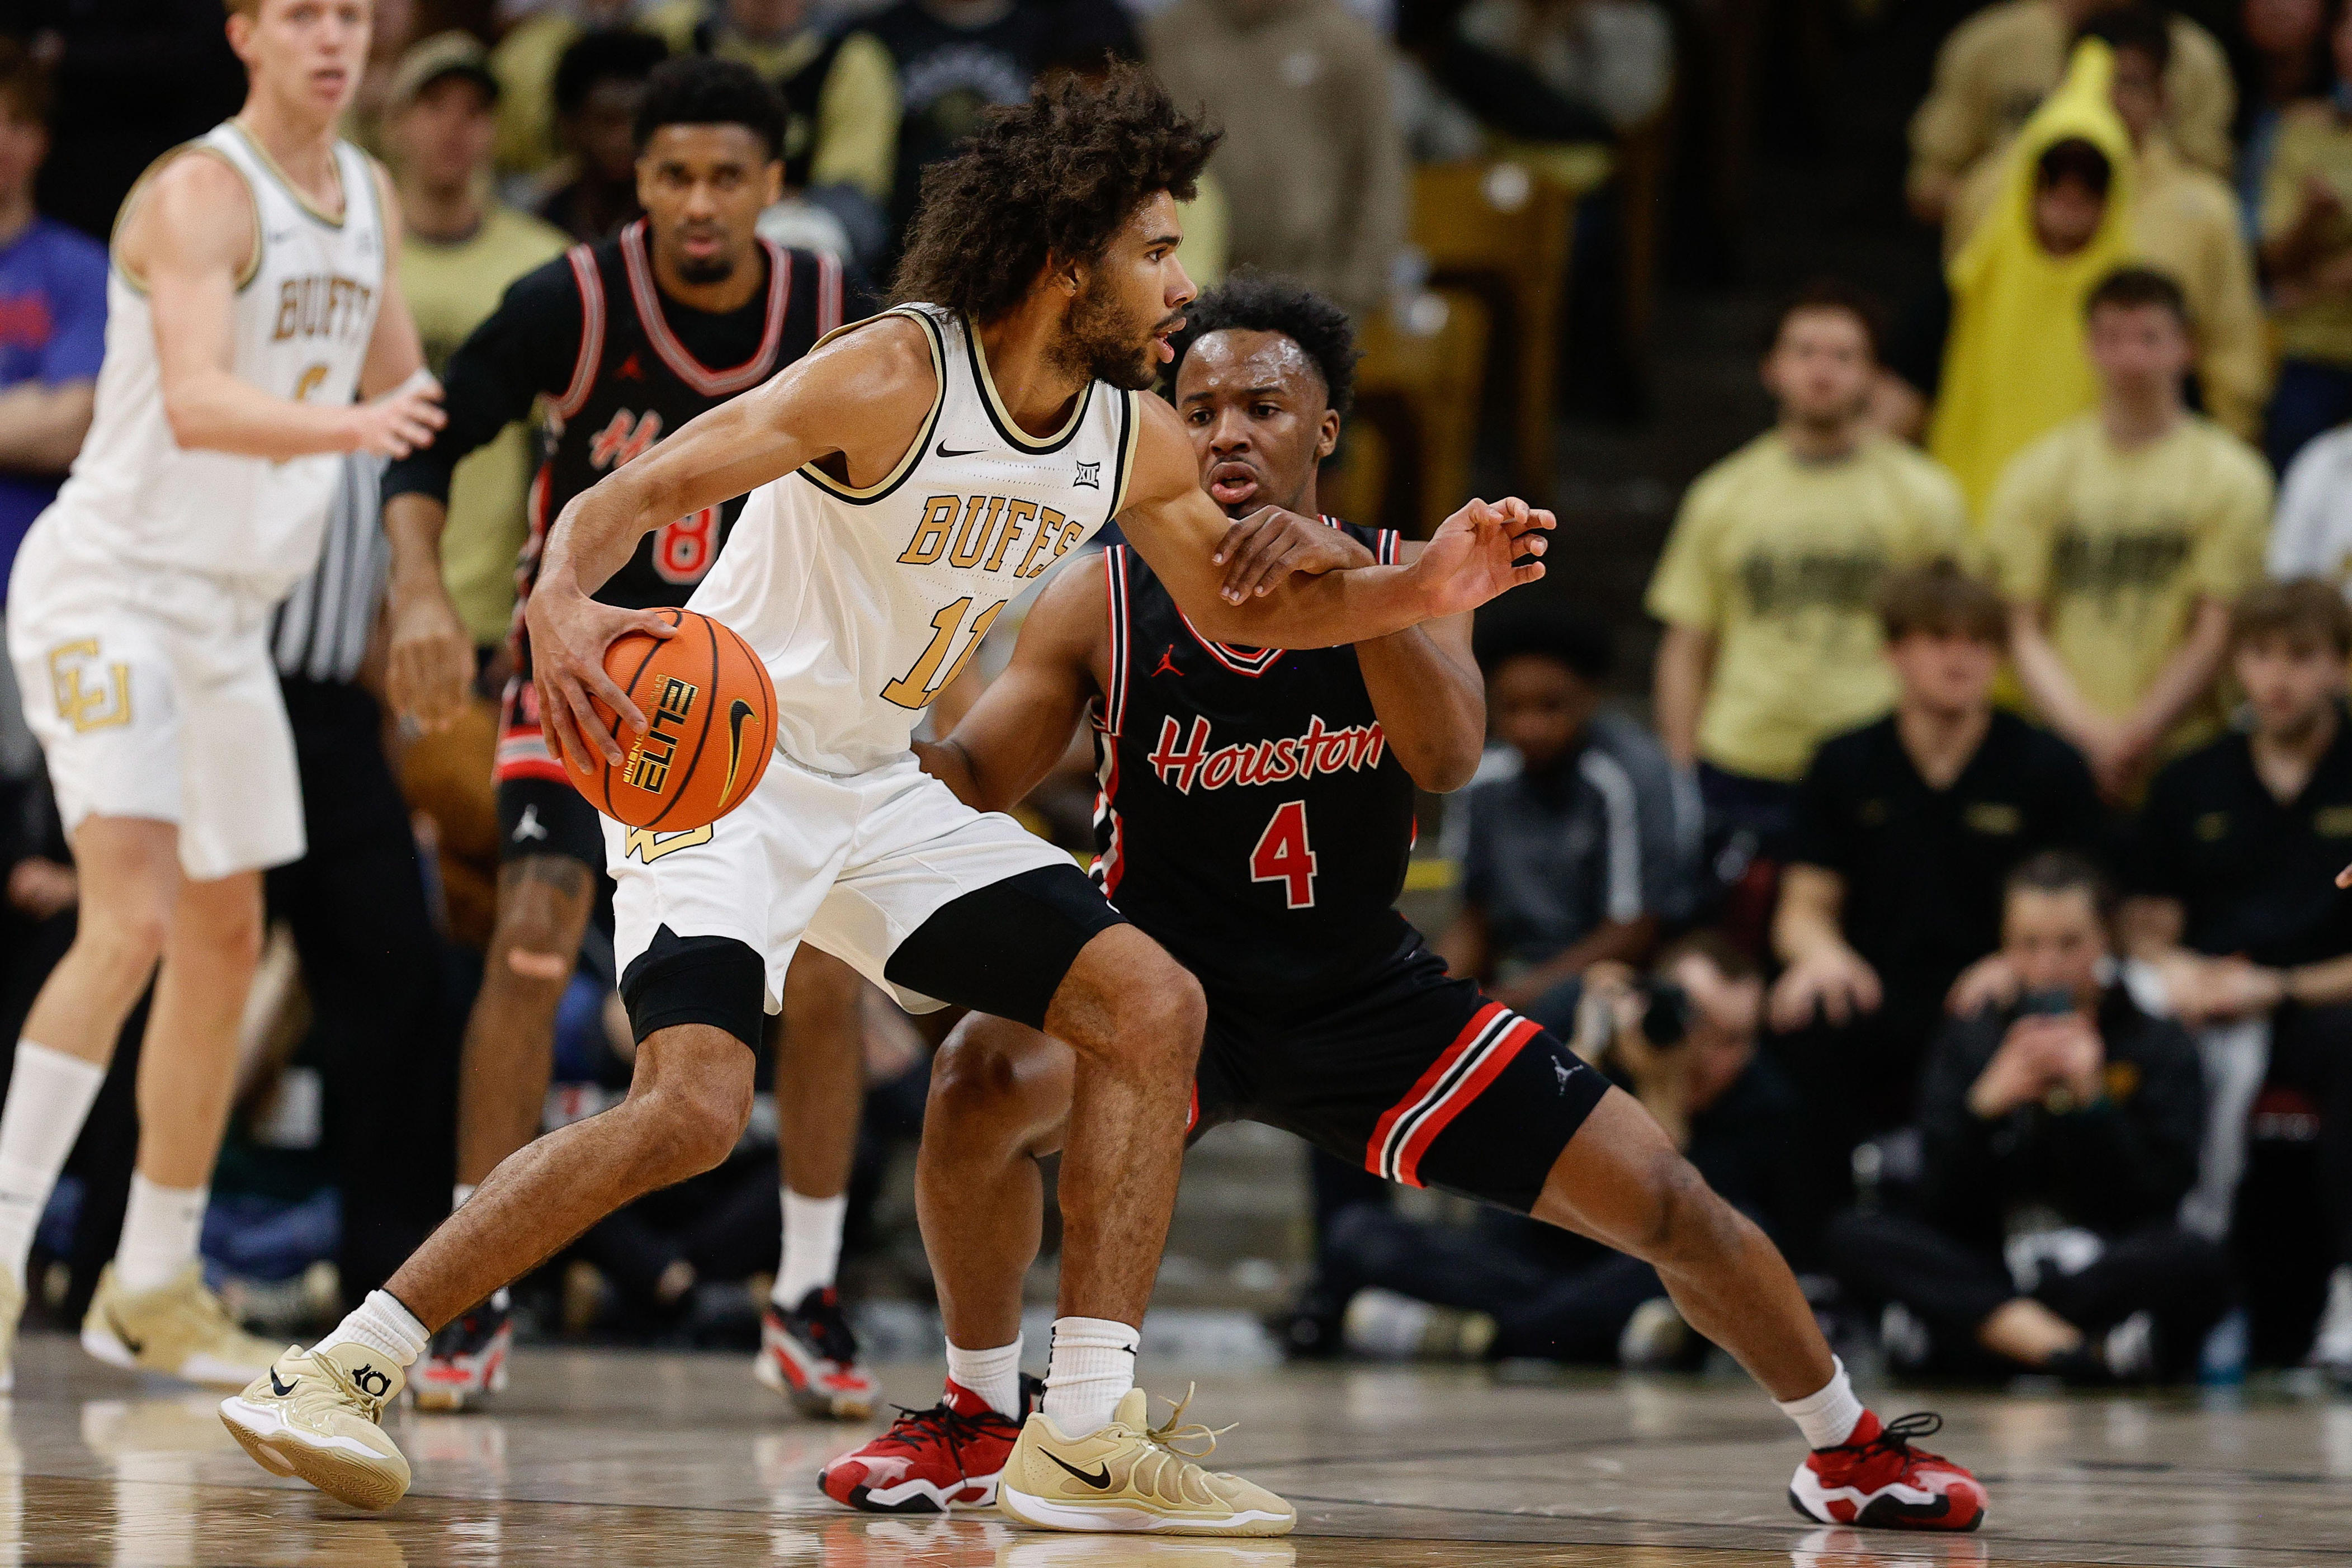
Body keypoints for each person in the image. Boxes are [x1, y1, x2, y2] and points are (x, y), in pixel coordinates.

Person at [218, 65, 1558, 1533]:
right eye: (1154, 247)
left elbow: (1270, 610)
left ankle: (1082, 1430)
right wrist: (558, 600)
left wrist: (1430, 582)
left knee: (1149, 1003)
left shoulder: (1129, 438)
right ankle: (343, 1363)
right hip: (720, 777)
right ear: (1068, 260)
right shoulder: (894, 373)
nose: (1178, 279)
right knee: (688, 1110)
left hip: (868, 788)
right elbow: (648, 485)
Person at [813, 272, 1988, 1532]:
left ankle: (1846, 1443)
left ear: (1324, 430)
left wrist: (1363, 592)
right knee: (976, 1083)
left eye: (1262, 406)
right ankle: (983, 1415)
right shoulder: (1098, 594)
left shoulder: (1413, 570)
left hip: (1360, 994)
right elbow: (979, 776)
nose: (1226, 433)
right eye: (1198, 407)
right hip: (1156, 983)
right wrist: (847, 731)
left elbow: (1442, 755)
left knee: (1664, 1201)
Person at [372, 55, 863, 1415]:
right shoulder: (571, 302)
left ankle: (808, 1286)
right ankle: (468, 1284)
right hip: (588, 673)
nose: (697, 202)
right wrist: (418, 584)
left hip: (762, 686)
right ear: (633, 178)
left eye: (725, 176)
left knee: (824, 965)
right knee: (530, 938)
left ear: (774, 185)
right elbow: (422, 447)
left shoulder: (839, 317)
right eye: (670, 175)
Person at [0, 0, 443, 1391]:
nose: (334, 40)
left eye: (352, 17)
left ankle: (151, 1280)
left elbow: (414, 386)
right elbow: (196, 400)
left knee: (225, 928)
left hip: (226, 621)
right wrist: (355, 429)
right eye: (304, 14)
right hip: (113, 589)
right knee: (127, 914)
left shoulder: (361, 193)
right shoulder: (198, 190)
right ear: (247, 32)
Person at [1771, 560, 2103, 1252]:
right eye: (1939, 638)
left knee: (2007, 1034)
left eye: (1980, 641)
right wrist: (1824, 955)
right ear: (1894, 651)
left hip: (1997, 992)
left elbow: (2090, 913)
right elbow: (1802, 906)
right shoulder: (1845, 762)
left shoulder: (2048, 765)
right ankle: (1812, 1261)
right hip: (1878, 987)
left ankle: (1975, 1250)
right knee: (1806, 1022)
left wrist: (2015, 964)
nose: (1961, 656)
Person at [1825, 852, 2228, 1382]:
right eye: (2028, 945)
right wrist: (1984, 1108)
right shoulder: (1972, 1038)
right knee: (1851, 1234)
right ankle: (2077, 1352)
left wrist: (2094, 1107)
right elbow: (1937, 1197)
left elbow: (2162, 1195)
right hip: (1986, 1255)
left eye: (2069, 943)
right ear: (2003, 946)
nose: (2048, 965)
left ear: (2105, 941)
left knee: (2199, 1258)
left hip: (2099, 1264)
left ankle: (1987, 1338)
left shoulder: (2156, 1041)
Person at [1321, 935, 1800, 1371]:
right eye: (1702, 1028)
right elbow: (1510, 1200)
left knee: (1727, 1242)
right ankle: (1592, 1339)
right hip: (1534, 1257)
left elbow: (1684, 1230)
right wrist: (1584, 1060)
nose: (1715, 1057)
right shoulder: (1580, 1021)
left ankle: (1487, 1340)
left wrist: (1664, 1090)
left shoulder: (1760, 1097)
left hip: (1630, 1265)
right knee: (1358, 1232)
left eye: (1737, 1040)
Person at [1649, 281, 1967, 934]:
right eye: (1806, 351)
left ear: (1874, 375)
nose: (1823, 369)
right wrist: (1683, 774)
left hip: (1878, 758)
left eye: (1844, 355)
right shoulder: (1722, 494)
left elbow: (1957, 637)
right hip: (1744, 760)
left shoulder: (1926, 495)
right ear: (1773, 367)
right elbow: (1687, 644)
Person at [2127, 579, 2352, 1377]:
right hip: (2208, 999)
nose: (2277, 677)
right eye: (2259, 655)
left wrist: (2281, 990)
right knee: (2136, 1026)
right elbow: (2142, 923)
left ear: (2340, 667)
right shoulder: (2193, 779)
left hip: (2319, 1001)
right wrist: (2177, 969)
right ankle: (2140, 1283)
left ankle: (2345, 1293)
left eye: (2301, 656)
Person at [1984, 265, 2271, 804]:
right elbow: (2021, 627)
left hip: (2187, 753)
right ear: (2088, 347)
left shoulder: (2233, 475)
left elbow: (2216, 629)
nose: (2131, 358)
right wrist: (2090, 737)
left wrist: (2137, 735)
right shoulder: (2035, 472)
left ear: (2186, 348)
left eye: (2149, 338)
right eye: (2111, 338)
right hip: (2059, 750)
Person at [1948, 9, 2266, 440]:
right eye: (2090, 76)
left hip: (2145, 446)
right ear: (2060, 82)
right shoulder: (1992, 187)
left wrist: (2232, 441)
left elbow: (2231, 348)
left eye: (2131, 83)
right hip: (2001, 432)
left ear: (2163, 99)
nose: (2107, 97)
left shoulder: (2205, 209)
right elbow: (1958, 322)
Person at [380, 31, 570, 651]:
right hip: (353, 602)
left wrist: (534, 601)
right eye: (434, 106)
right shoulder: (349, 258)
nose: (454, 128)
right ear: (395, 124)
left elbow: (562, 456)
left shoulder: (543, 267)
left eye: (476, 111)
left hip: (489, 610)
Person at [1434, 613, 1688, 1033]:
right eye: (1512, 708)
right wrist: (1441, 994)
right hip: (1517, 977)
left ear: (1589, 697)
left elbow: (1633, 934)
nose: (1529, 726)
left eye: (1550, 706)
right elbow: (1472, 915)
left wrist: (1516, 1000)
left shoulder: (1628, 774)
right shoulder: (1482, 777)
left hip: (1616, 978)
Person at [1916, 40, 2137, 516]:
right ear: (2025, 180)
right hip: (1973, 512)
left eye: (2093, 175)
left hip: (2096, 527)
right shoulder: (1965, 283)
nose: (2071, 192)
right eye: (2054, 172)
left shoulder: (2139, 304)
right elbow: (1898, 397)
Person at [1144, 0, 1406, 327]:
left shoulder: (1345, 42)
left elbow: (1377, 177)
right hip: (1191, 296)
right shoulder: (1165, 40)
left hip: (1312, 294)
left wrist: (1352, 296)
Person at [1906, 0, 2233, 224]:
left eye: (2134, 83)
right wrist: (2026, 213)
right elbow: (1929, 184)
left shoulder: (2196, 59)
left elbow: (2210, 187)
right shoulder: (1989, 43)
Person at [0, 41, 105, 606]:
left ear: (41, 140)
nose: (0, 140)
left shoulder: (82, 270)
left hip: (41, 590)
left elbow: (72, 426)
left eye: (16, 121)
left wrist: (51, 417)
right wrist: (25, 413)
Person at [2259, 2, 2352, 472]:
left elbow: (2291, 287)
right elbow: (2272, 261)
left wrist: (2311, 287)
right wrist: (2312, 220)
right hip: (2311, 358)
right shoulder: (2300, 127)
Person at [537, 30, 669, 244]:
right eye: (608, 121)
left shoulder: (673, 220)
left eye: (638, 121)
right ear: (569, 125)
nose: (624, 138)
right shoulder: (541, 219)